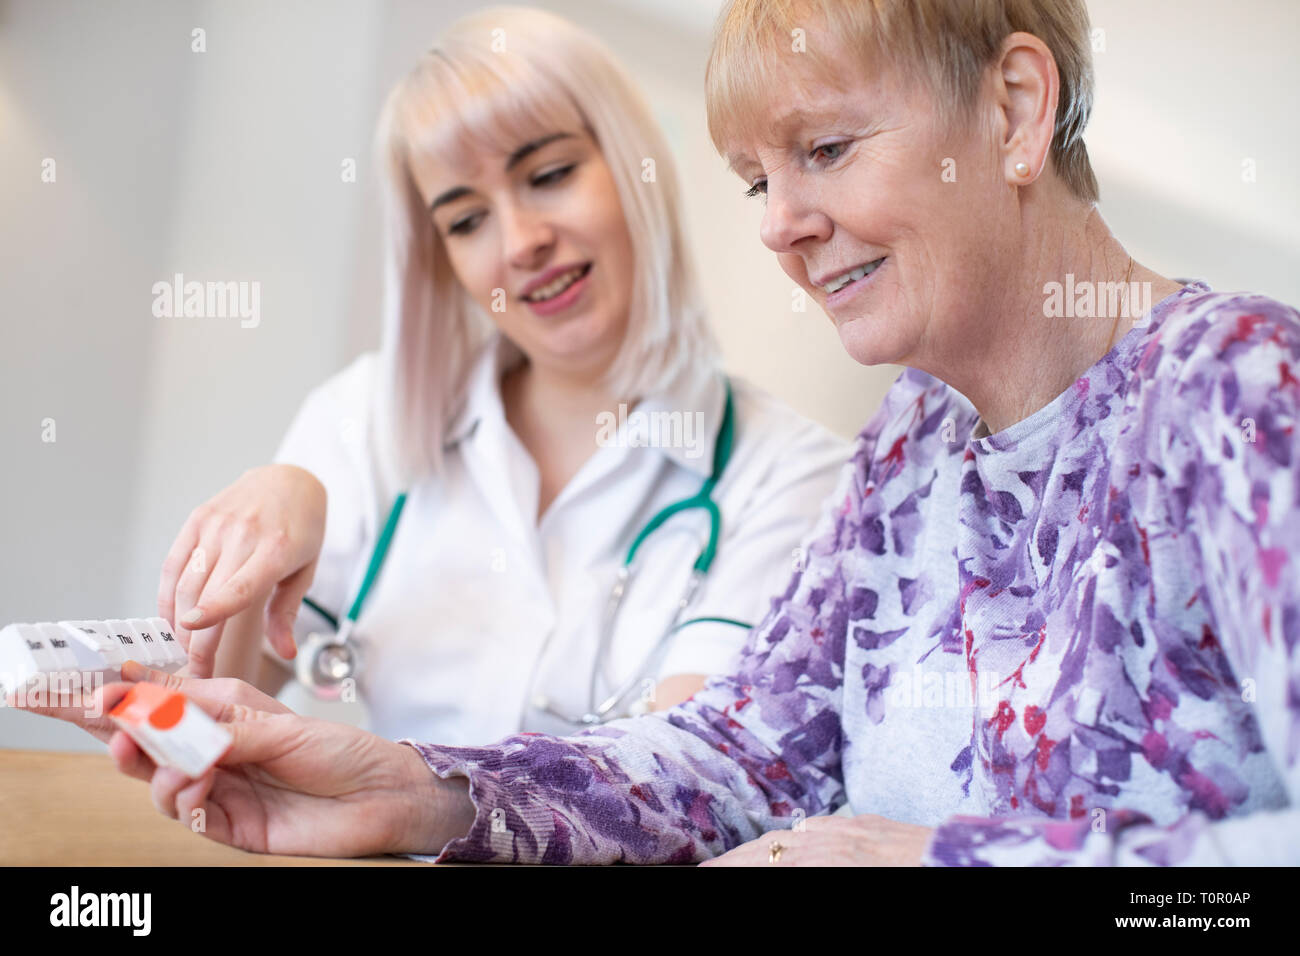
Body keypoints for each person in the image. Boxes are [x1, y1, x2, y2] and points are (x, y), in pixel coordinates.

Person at [71, 0, 1300, 865]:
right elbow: (738, 759)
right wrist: (413, 790)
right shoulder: (915, 444)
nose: (778, 224)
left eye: (823, 150)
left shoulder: (1238, 389)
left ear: (1017, 108)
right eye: (758, 180)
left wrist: (943, 862)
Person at [133, 6, 847, 745]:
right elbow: (205, 723)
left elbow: (684, 780)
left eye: (549, 175)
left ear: (635, 166)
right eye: (466, 220)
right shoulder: (364, 420)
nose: (521, 243)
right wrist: (262, 543)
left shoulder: (792, 475)